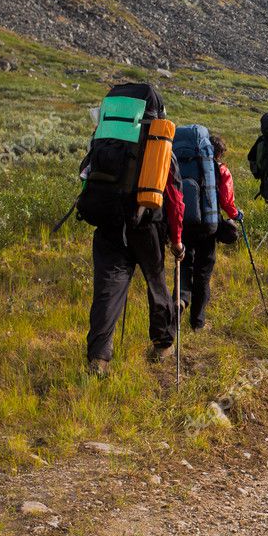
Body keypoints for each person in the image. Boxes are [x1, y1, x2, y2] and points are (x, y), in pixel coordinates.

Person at [84, 84, 185, 378]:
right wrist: (177, 241)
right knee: (156, 283)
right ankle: (163, 345)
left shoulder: (103, 139)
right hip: (146, 225)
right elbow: (176, 199)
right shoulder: (157, 144)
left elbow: (86, 176)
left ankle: (99, 358)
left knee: (107, 290)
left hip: (107, 222)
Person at [179, 133, 242, 331]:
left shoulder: (183, 166)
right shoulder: (221, 170)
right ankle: (197, 323)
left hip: (184, 224)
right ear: (220, 153)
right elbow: (226, 201)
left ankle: (181, 299)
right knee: (203, 273)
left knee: (184, 266)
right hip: (208, 227)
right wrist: (236, 214)